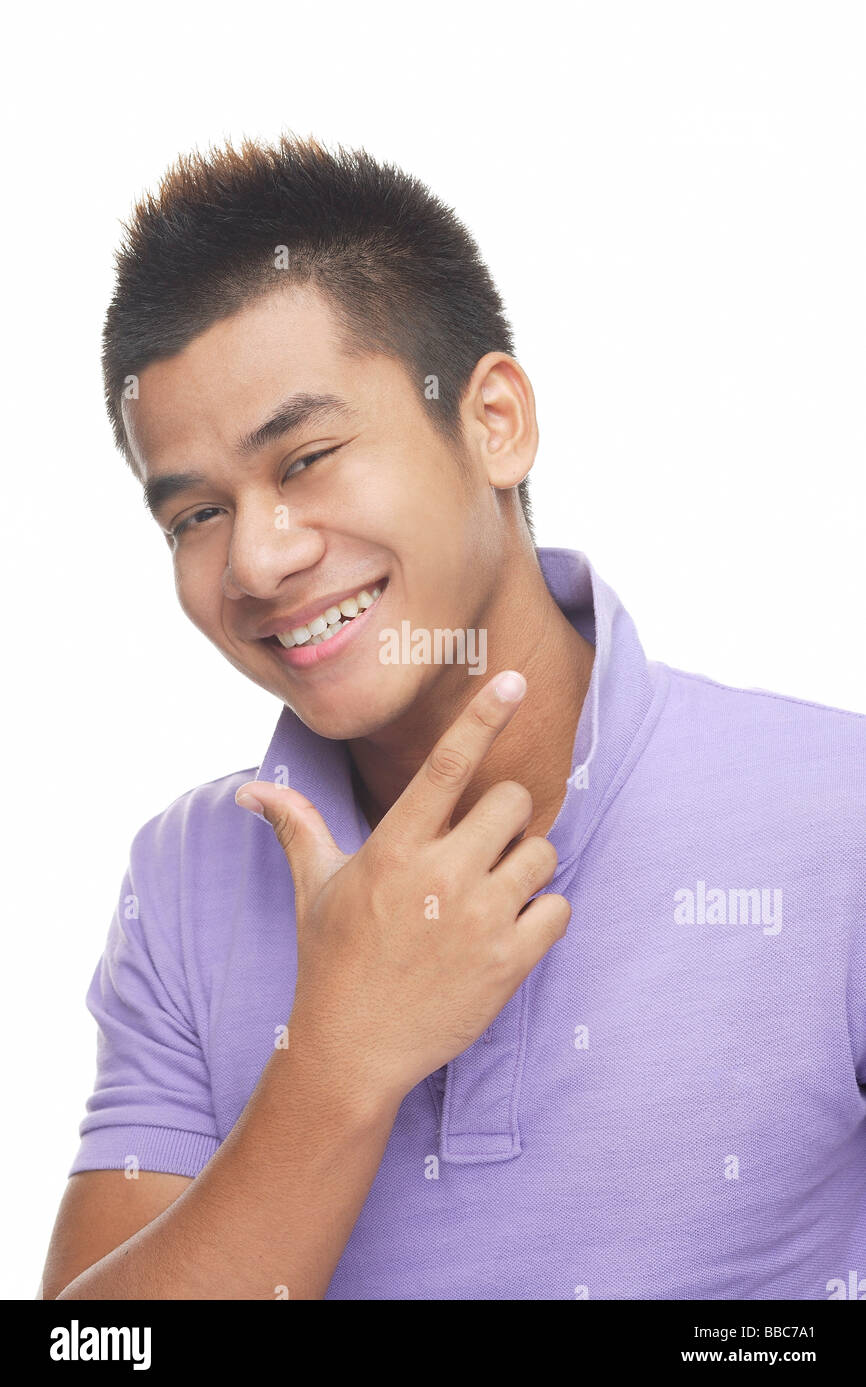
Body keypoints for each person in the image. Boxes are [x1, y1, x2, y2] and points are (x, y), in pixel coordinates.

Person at [40, 135, 866, 1301]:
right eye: (194, 517)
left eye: (309, 456)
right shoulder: (187, 876)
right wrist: (337, 1060)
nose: (259, 560)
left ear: (493, 423)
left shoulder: (836, 816)